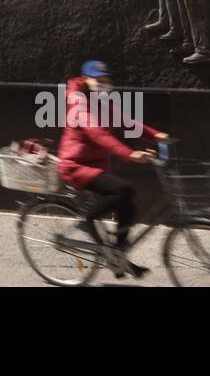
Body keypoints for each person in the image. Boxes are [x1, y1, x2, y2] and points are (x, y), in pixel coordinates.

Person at [56, 60, 168, 278]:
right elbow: (97, 133)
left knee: (128, 207)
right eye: (98, 79)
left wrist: (155, 135)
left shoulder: (99, 99)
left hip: (95, 165)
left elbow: (124, 121)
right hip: (75, 165)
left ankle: (118, 257)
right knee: (124, 190)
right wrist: (129, 154)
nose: (103, 83)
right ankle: (85, 221)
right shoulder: (77, 102)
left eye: (106, 79)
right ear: (86, 79)